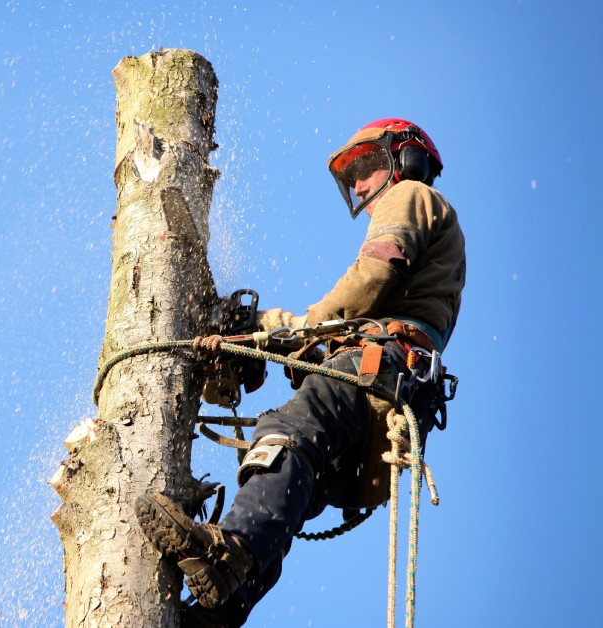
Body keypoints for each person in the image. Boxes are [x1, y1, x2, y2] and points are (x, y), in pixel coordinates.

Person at [134, 118, 466, 626]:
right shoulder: (433, 251)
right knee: (295, 484)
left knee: (283, 435)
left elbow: (369, 280)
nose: (358, 184)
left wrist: (299, 331)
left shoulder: (413, 195)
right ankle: (224, 606)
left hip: (380, 366)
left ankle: (230, 556)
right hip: (389, 396)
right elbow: (334, 327)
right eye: (350, 176)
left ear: (407, 160)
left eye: (368, 166)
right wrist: (259, 332)